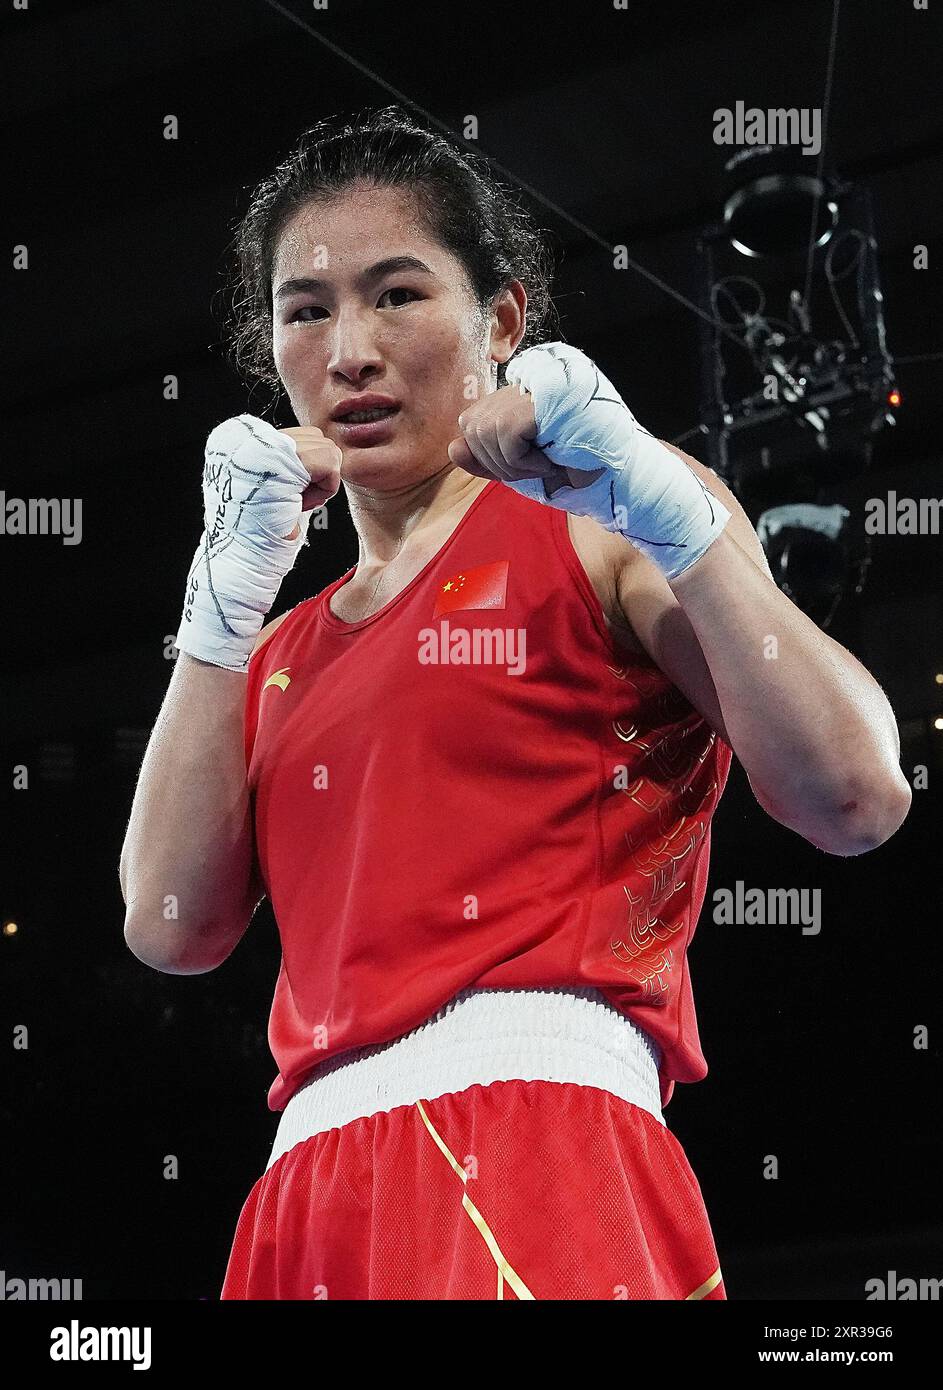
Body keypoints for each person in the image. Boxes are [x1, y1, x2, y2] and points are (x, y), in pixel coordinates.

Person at [119, 106, 911, 1301]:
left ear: (500, 320)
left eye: (397, 294)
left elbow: (853, 792)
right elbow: (170, 927)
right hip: (305, 1203)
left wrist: (667, 501)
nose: (349, 352)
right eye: (306, 309)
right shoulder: (272, 647)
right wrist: (217, 610)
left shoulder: (607, 525)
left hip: (540, 1149)